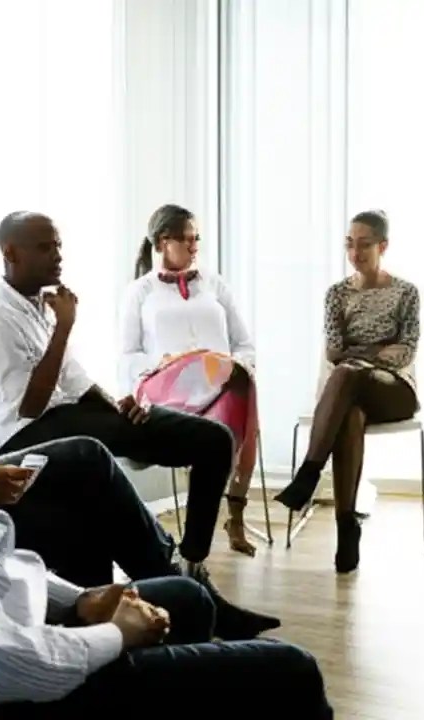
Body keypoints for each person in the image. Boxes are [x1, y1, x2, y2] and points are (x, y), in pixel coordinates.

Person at [0, 221, 333, 718]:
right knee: (294, 671)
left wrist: (80, 601)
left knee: (185, 600)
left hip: (19, 636)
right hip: (17, 690)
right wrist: (113, 635)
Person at [0, 212, 235, 571]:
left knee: (214, 439)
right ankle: (173, 574)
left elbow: (77, 380)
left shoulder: (43, 308)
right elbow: (29, 407)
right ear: (11, 253)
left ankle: (191, 562)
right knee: (101, 480)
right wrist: (63, 328)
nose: (58, 255)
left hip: (70, 417)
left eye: (58, 245)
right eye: (45, 248)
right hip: (29, 435)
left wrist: (119, 406)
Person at [274, 210, 421, 573]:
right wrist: (371, 353)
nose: (355, 252)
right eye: (349, 243)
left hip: (394, 390)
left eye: (364, 244)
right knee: (350, 411)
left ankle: (309, 473)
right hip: (351, 389)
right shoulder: (336, 294)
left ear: (382, 246)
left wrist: (364, 358)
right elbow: (334, 349)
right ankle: (346, 528)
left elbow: (406, 349)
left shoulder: (405, 292)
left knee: (348, 374)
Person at [121, 204, 262, 557]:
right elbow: (127, 354)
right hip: (165, 386)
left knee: (242, 388)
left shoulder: (216, 285)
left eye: (195, 237)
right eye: (185, 239)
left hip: (219, 382)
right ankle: (211, 528)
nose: (193, 245)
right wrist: (158, 365)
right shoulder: (139, 291)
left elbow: (245, 344)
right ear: (161, 242)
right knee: (221, 403)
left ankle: (232, 515)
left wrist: (237, 365)